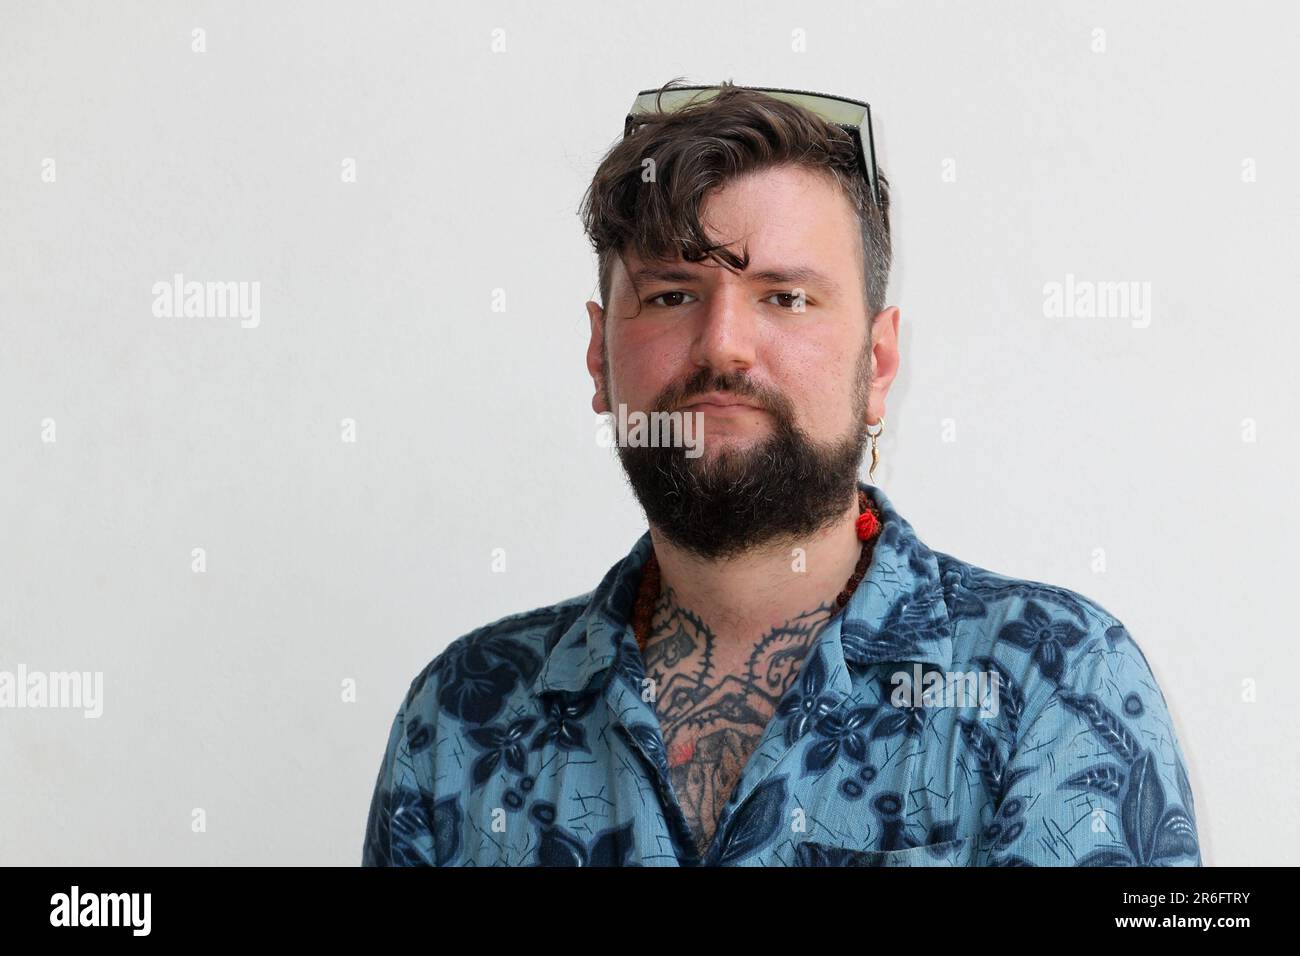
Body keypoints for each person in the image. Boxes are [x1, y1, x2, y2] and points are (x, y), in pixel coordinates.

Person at [362, 80, 1201, 866]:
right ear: (598, 356)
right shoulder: (462, 718)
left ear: (877, 362)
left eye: (786, 297)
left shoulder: (1056, 687)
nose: (724, 343)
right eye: (670, 294)